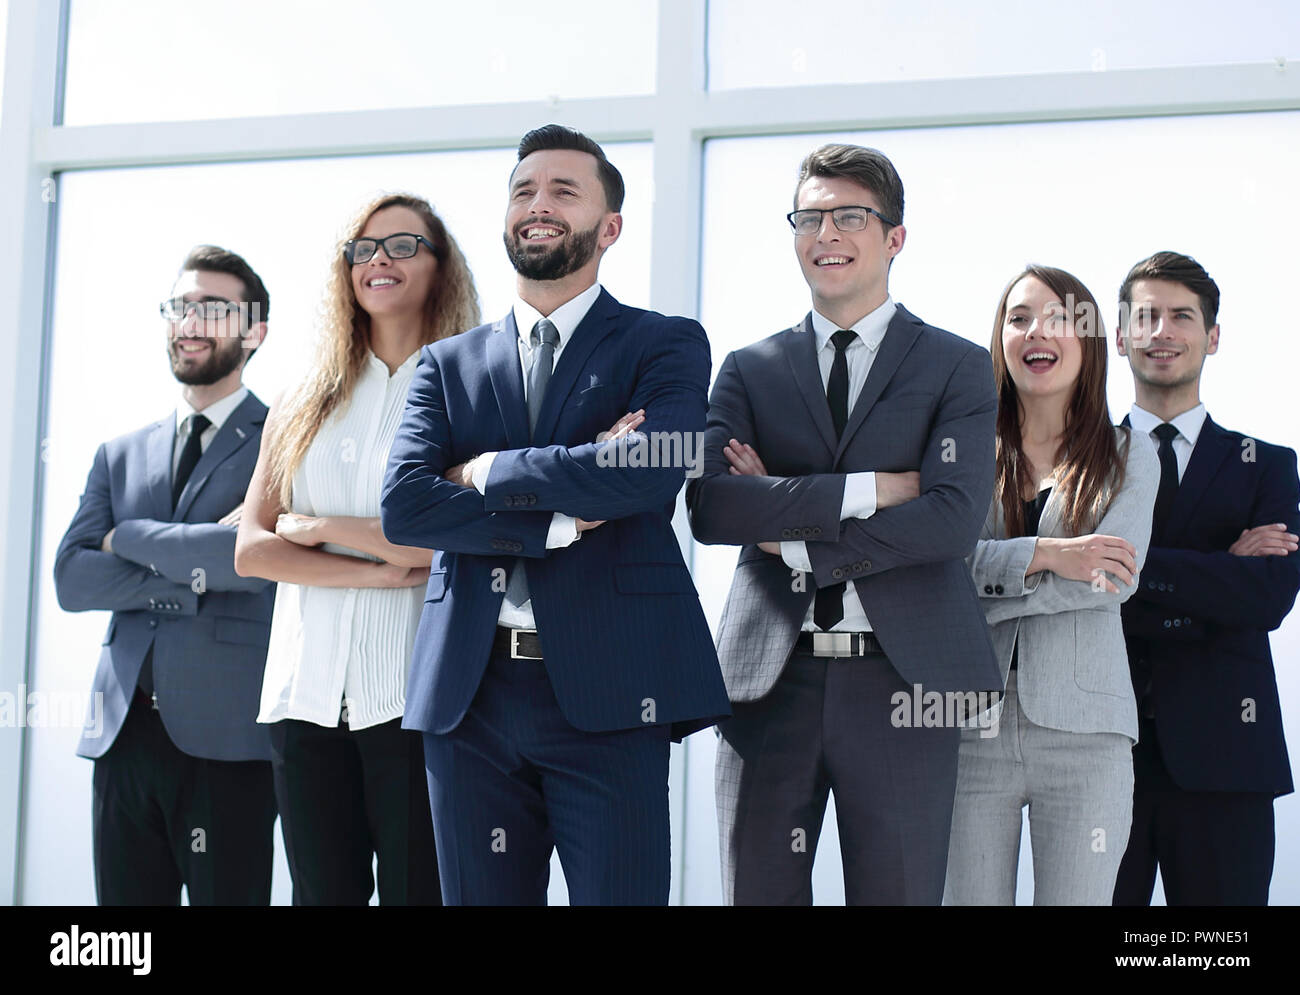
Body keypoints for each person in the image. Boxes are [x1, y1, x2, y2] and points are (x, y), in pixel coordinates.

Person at [381, 124, 730, 906]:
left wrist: (485, 470)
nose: (537, 206)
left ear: (609, 228)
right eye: (523, 190)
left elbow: (650, 470)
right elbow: (405, 507)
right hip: (469, 697)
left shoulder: (663, 343)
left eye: (563, 191)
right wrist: (558, 518)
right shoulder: (446, 363)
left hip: (612, 692)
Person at [686, 143, 1001, 905]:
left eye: (849, 215)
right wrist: (873, 489)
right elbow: (714, 508)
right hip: (768, 680)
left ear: (894, 237)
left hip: (904, 685)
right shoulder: (747, 367)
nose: (825, 233)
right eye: (809, 217)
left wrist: (788, 529)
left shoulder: (957, 367)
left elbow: (952, 521)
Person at [234, 194, 478, 905]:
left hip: (414, 697)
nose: (379, 261)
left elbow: (464, 543)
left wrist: (321, 528)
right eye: (364, 249)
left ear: (442, 268)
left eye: (404, 246)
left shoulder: (471, 396)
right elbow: (252, 549)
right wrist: (380, 570)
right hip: (302, 697)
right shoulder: (302, 399)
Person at [53, 245, 277, 905]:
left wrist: (128, 538)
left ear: (255, 329)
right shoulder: (118, 453)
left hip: (229, 741)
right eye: (180, 306)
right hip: (122, 734)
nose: (190, 321)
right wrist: (192, 573)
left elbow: (253, 563)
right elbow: (72, 579)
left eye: (212, 308)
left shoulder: (285, 439)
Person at [943, 265, 1158, 905]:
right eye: (1020, 318)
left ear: (1089, 341)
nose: (1039, 332)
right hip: (966, 733)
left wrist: (995, 578)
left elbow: (1111, 577)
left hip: (1087, 735)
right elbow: (937, 568)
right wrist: (1049, 553)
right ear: (1000, 339)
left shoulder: (1128, 453)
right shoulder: (961, 449)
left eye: (1062, 318)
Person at [1111, 251, 1299, 906]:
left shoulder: (1268, 466)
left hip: (1229, 759)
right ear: (1119, 335)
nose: (1162, 330)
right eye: (1147, 315)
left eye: (1181, 316)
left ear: (1212, 336)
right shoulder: (1078, 464)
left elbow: (1268, 596)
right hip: (1100, 755)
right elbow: (1070, 590)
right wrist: (1220, 573)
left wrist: (1121, 563)